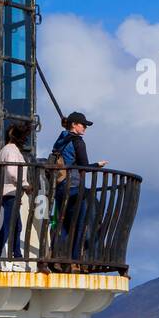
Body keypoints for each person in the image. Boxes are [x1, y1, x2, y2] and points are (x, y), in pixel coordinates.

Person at [49, 111, 106, 269]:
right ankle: (74, 260)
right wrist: (97, 165)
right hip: (74, 187)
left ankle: (57, 257)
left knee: (63, 224)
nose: (85, 129)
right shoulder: (78, 142)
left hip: (59, 186)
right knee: (79, 223)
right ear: (74, 124)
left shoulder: (60, 139)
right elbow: (84, 166)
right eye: (83, 125)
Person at [0, 121, 32, 262]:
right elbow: (12, 170)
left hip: (9, 192)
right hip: (11, 192)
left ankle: (17, 254)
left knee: (16, 225)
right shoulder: (11, 151)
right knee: (9, 225)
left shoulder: (6, 150)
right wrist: (24, 184)